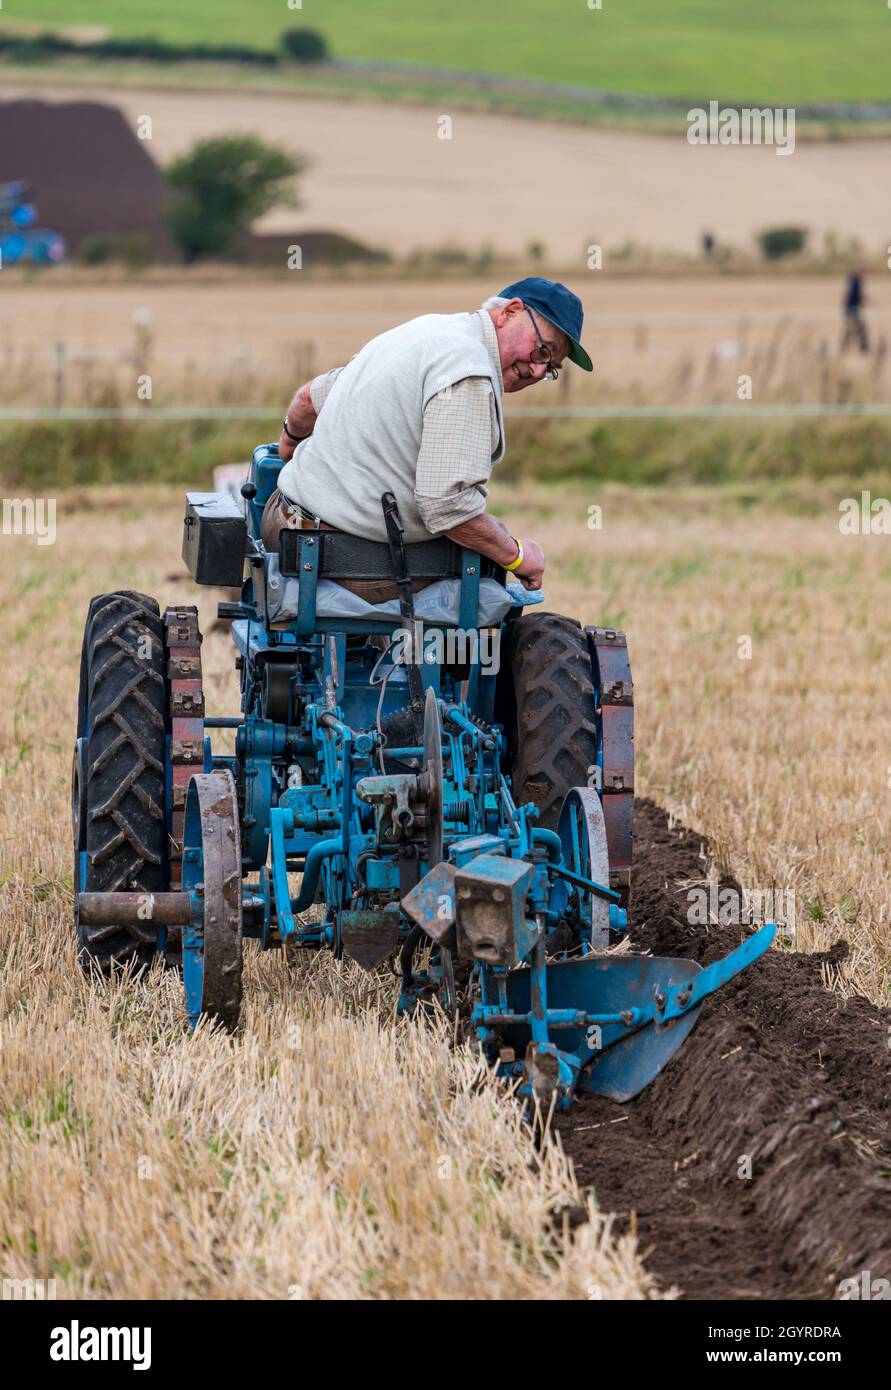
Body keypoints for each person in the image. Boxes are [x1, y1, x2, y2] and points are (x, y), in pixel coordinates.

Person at [261, 277, 593, 602]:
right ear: (509, 312)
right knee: (488, 565)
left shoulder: (424, 331)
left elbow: (307, 400)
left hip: (282, 523)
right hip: (339, 560)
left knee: (489, 536)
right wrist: (519, 556)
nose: (538, 371)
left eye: (551, 367)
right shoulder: (470, 372)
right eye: (541, 351)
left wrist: (288, 443)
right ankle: (437, 654)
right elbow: (446, 507)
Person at [841, 269, 869, 353]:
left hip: (850, 309)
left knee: (851, 329)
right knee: (859, 329)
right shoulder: (856, 283)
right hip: (853, 310)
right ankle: (863, 348)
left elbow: (850, 297)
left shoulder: (853, 283)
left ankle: (845, 347)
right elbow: (855, 296)